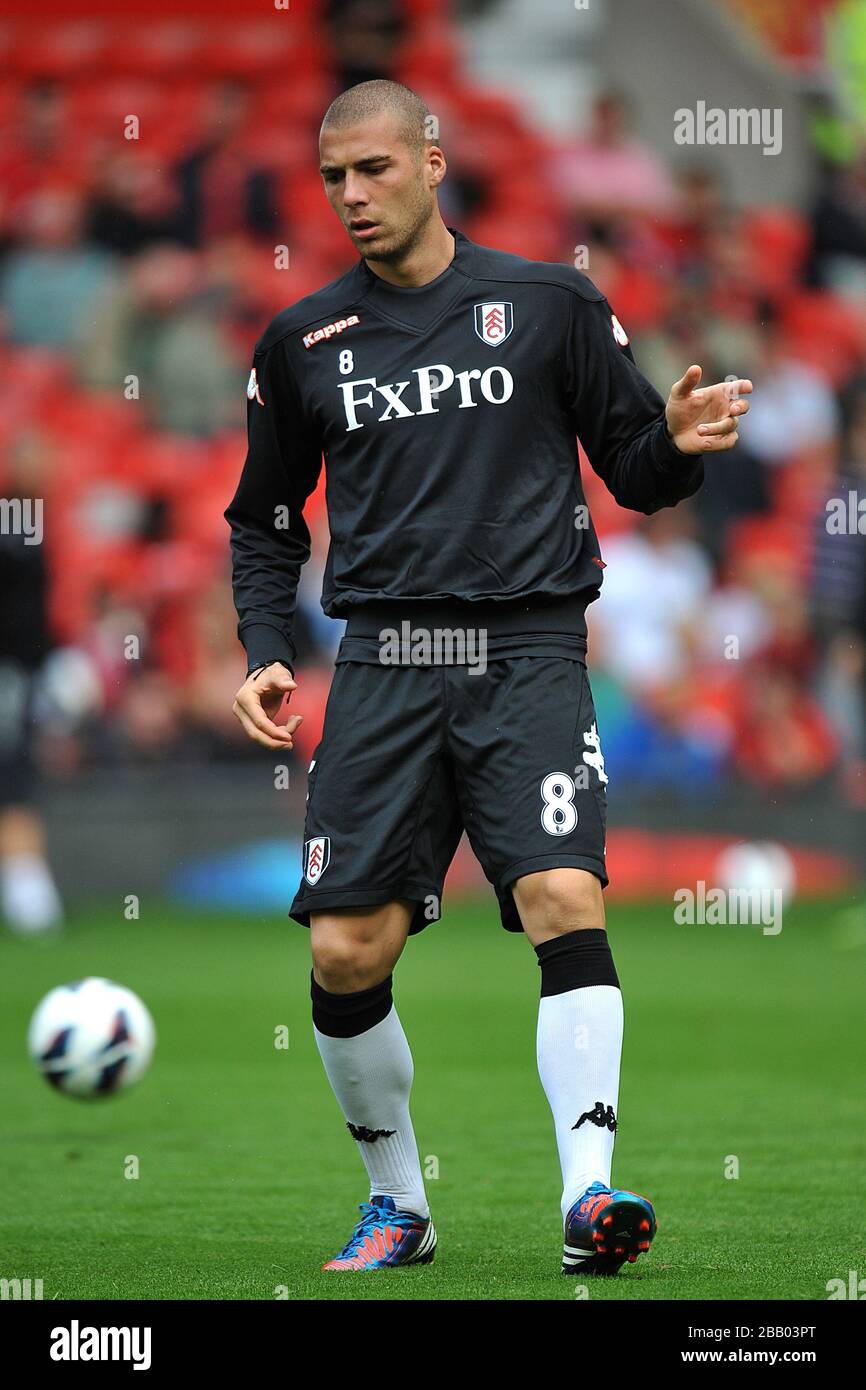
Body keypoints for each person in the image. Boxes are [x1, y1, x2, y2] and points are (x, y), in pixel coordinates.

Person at [225, 80, 751, 1276]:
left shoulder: (549, 301)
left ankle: (588, 1197)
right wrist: (264, 649)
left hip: (526, 653)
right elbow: (262, 521)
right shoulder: (303, 340)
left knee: (566, 899)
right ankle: (397, 1205)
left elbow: (634, 466)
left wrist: (672, 440)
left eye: (372, 169)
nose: (352, 197)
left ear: (431, 156)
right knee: (345, 955)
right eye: (332, 180)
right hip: (385, 666)